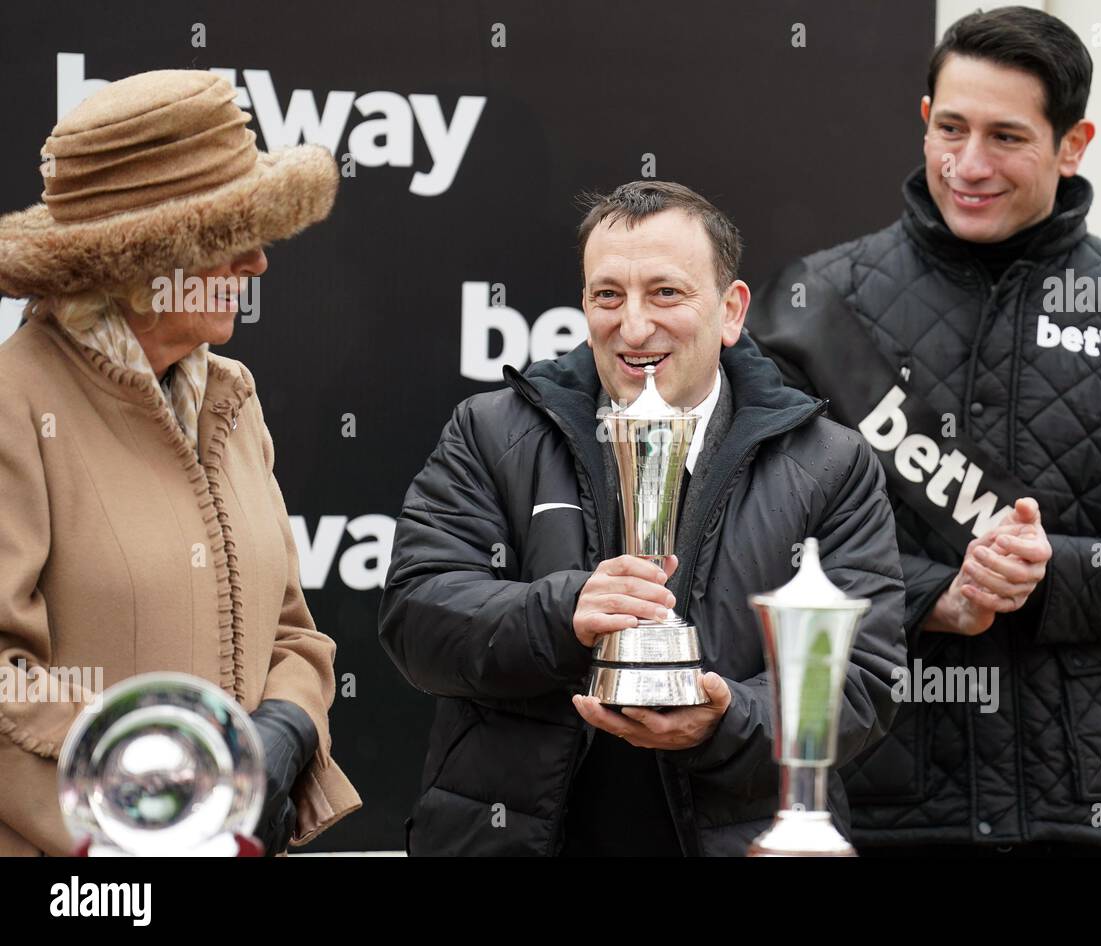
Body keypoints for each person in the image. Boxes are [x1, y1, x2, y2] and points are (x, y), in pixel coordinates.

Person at [746, 6, 1101, 854]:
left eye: (1007, 137)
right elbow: (758, 551)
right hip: (872, 804)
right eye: (951, 128)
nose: (968, 165)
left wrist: (1055, 570)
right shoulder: (814, 308)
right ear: (924, 120)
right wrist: (932, 597)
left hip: (1097, 809)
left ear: (1073, 144)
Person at [379, 180, 906, 856]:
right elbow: (417, 617)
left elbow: (860, 679)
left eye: (666, 293)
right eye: (608, 296)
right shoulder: (491, 433)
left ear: (731, 311)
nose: (632, 327)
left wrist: (724, 720)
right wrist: (566, 612)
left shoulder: (830, 465)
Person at [0, 70, 361, 855]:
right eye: (231, 234)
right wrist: (152, 808)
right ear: (142, 258)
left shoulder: (231, 395)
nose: (258, 264)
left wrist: (284, 732)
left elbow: (292, 636)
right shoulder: (14, 401)